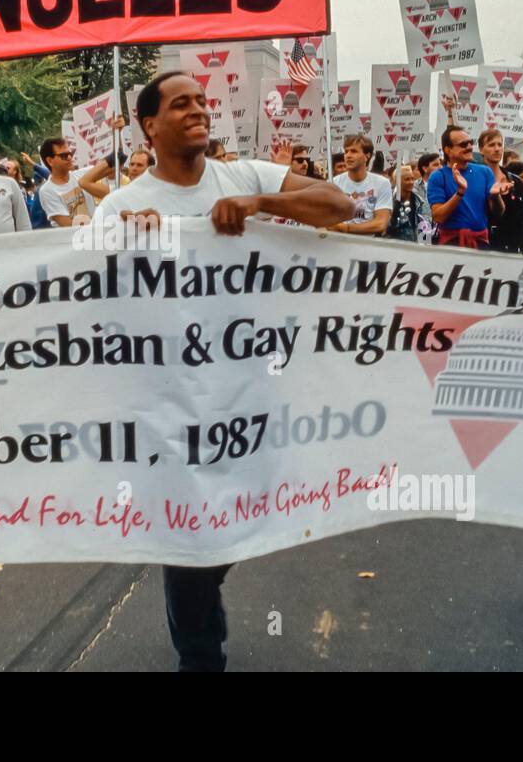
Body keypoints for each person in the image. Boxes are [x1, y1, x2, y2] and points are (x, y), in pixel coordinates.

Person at [91, 71, 354, 673]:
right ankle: (200, 653)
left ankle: (202, 597)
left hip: (248, 392)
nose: (197, 111)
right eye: (179, 104)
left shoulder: (245, 176)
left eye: (202, 102)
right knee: (187, 535)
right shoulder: (122, 207)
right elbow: (90, 310)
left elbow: (340, 206)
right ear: (147, 125)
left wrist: (262, 204)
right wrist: (121, 249)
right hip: (170, 401)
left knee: (247, 512)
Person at [427, 125, 506, 248]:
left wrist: (496, 196)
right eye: (463, 144)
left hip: (480, 244)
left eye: (470, 142)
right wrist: (459, 193)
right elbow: (438, 217)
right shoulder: (438, 177)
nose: (469, 147)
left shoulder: (484, 172)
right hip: (451, 245)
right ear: (448, 150)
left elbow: (498, 212)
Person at [479, 129, 523, 254]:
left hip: (513, 247)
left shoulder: (515, 181)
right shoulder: (474, 178)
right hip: (484, 245)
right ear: (481, 149)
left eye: (500, 145)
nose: (497, 149)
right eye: (491, 145)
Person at [329, 134, 392, 236]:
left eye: (353, 151)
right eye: (346, 151)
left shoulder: (382, 183)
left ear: (367, 156)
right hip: (339, 244)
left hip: (368, 246)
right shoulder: (333, 183)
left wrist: (346, 228)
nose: (348, 155)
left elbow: (380, 224)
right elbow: (327, 221)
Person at [38, 137, 96, 227]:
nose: (69, 157)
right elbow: (68, 226)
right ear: (50, 161)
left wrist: (118, 132)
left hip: (96, 236)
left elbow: (114, 161)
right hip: (72, 239)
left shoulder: (83, 175)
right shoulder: (47, 191)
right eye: (63, 156)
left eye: (70, 153)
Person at [386, 163, 434, 243]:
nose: (411, 182)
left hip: (417, 250)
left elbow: (426, 231)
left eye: (412, 179)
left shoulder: (421, 203)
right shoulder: (388, 202)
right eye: (407, 179)